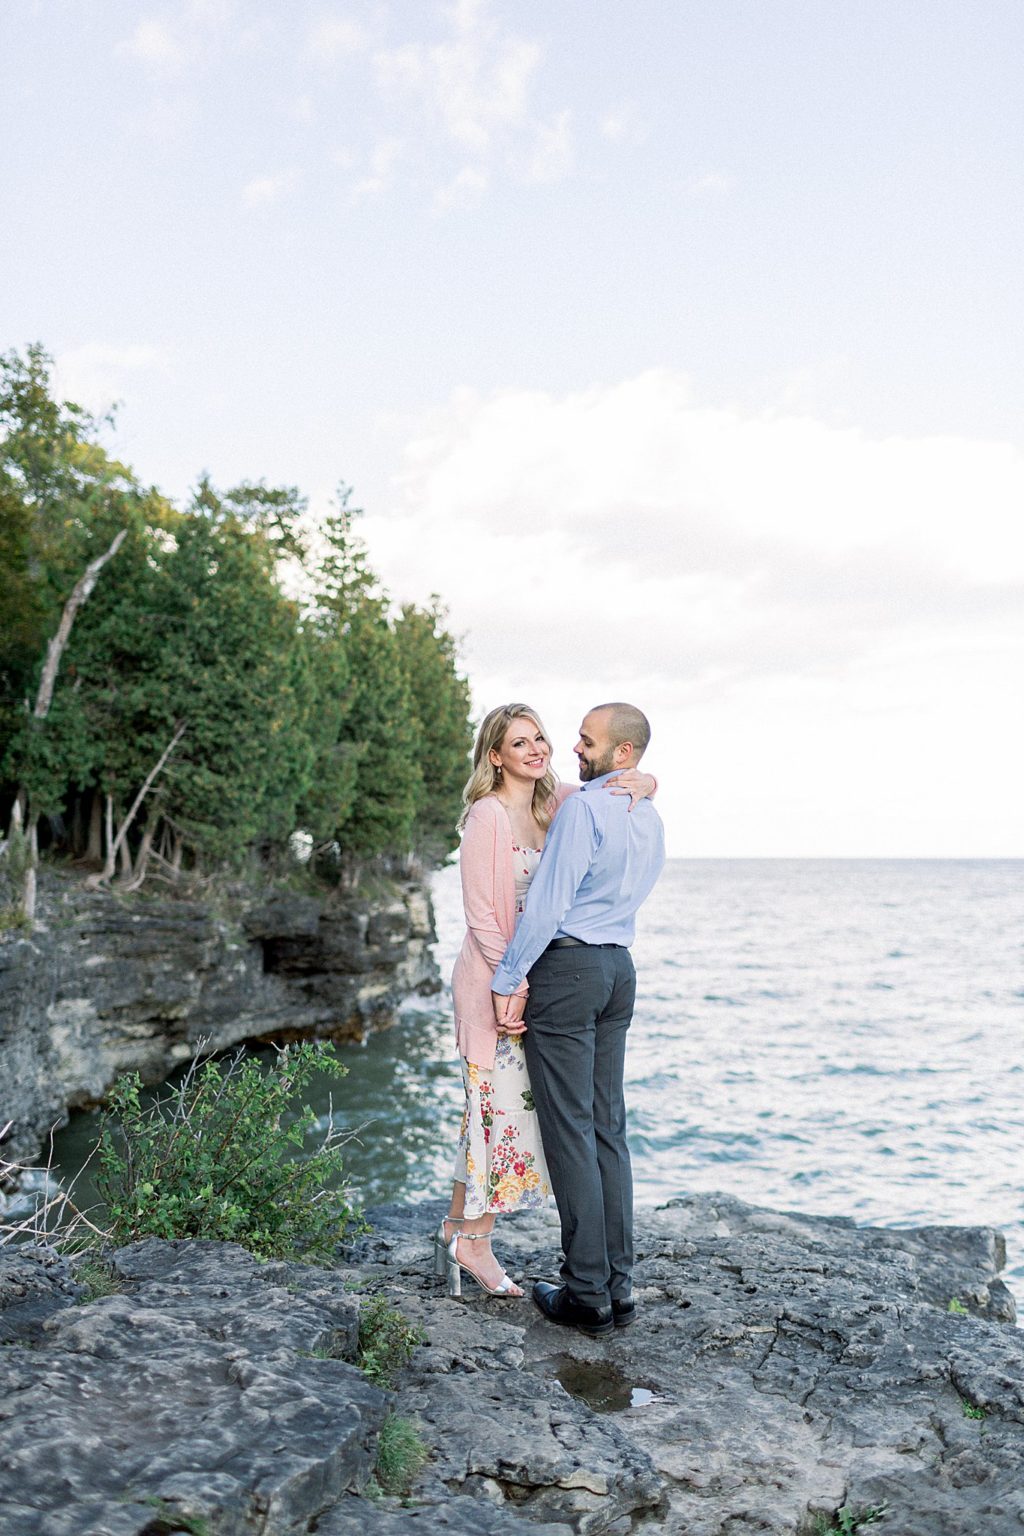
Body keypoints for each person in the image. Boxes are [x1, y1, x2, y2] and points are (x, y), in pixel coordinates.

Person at [434, 702, 656, 1299]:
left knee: (495, 1113)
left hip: (541, 975)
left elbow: (606, 792)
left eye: (541, 739)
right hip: (497, 981)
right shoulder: (487, 815)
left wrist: (645, 779)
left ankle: (461, 1234)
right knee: (491, 1110)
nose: (537, 749)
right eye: (520, 742)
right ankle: (472, 1240)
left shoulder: (554, 802)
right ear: (495, 755)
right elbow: (483, 917)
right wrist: (517, 984)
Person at [491, 702, 665, 1336]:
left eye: (587, 742)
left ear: (622, 753)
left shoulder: (583, 809)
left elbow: (546, 903)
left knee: (570, 1132)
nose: (575, 749)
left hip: (568, 971)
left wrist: (508, 981)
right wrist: (649, 781)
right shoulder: (648, 815)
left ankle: (586, 1292)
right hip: (619, 968)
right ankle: (619, 1289)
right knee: (607, 1129)